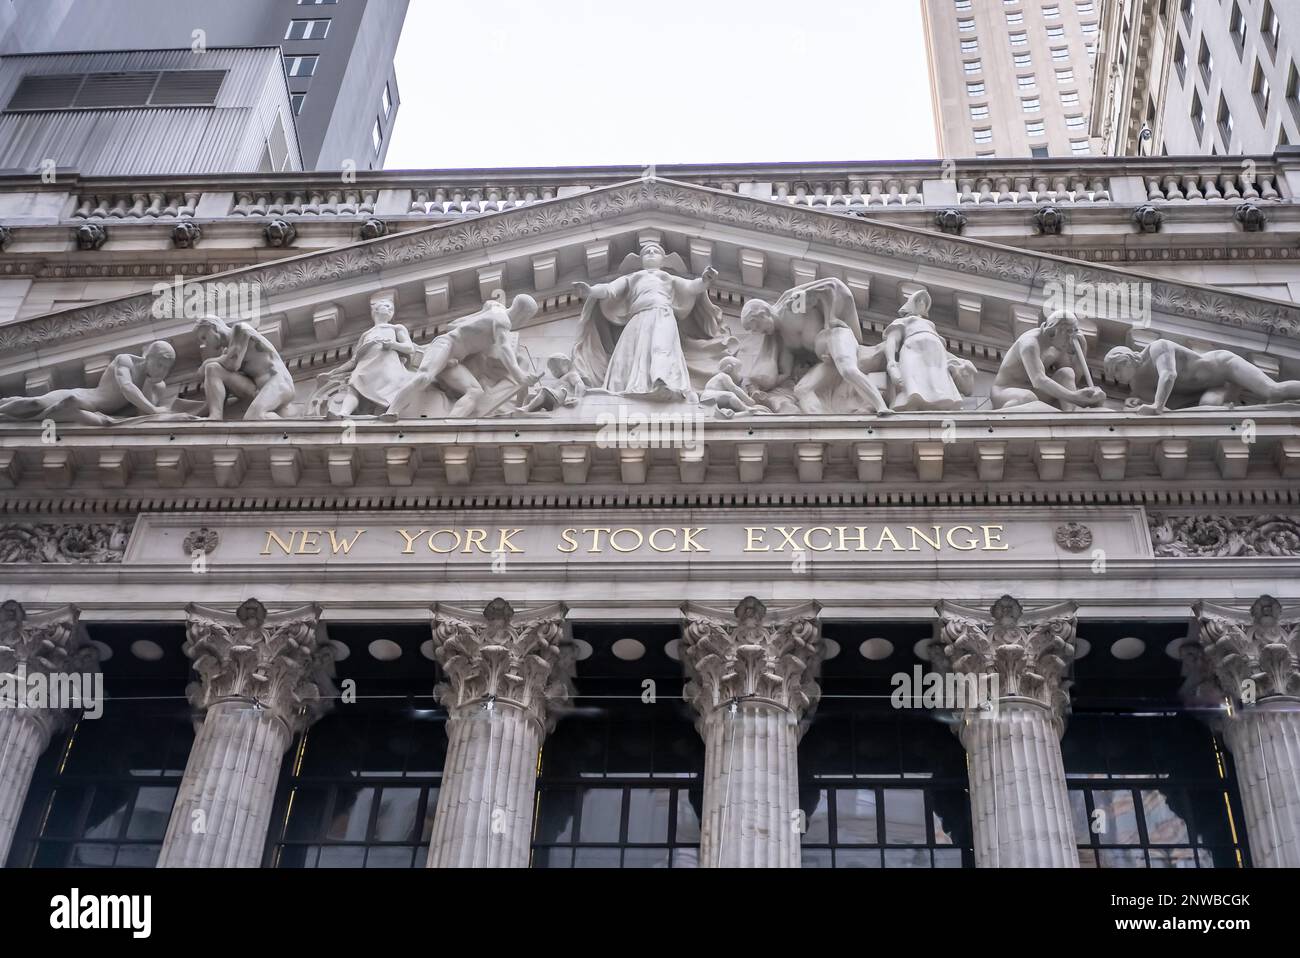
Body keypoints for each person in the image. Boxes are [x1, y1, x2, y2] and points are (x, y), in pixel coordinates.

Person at [571, 241, 730, 402]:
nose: (651, 253)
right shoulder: (633, 277)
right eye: (647, 252)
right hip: (638, 318)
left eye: (656, 251)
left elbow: (690, 287)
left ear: (663, 259)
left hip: (663, 316)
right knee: (628, 353)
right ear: (640, 260)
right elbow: (609, 290)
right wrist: (590, 291)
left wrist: (705, 281)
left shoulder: (667, 277)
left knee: (662, 348)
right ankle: (624, 387)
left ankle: (662, 381)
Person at [740, 277, 890, 415]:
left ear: (764, 312)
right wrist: (758, 388)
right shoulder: (784, 342)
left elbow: (831, 287)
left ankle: (881, 406)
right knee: (801, 390)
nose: (758, 332)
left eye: (757, 325)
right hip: (826, 360)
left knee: (848, 370)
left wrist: (830, 318)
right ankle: (822, 429)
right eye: (755, 330)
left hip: (834, 337)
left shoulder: (792, 306)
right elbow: (785, 373)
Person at [384, 294, 539, 420]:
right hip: (446, 345)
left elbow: (488, 307)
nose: (525, 321)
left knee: (475, 392)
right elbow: (505, 347)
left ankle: (450, 424)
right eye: (527, 317)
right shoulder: (503, 320)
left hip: (454, 361)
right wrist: (519, 376)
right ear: (522, 313)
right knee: (424, 376)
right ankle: (392, 411)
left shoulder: (497, 310)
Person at [0, 341, 185, 425]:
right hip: (83, 396)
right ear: (149, 356)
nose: (162, 371)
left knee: (47, 413)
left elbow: (142, 415)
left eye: (166, 368)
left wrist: (151, 384)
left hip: (87, 409)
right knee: (36, 403)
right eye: (159, 364)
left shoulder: (157, 385)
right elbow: (127, 388)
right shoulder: (126, 360)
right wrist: (155, 410)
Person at [1104, 339, 1300, 414]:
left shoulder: (1157, 347)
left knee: (1273, 390)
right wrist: (1138, 406)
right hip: (1213, 388)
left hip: (1224, 367)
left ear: (1125, 360)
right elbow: (1173, 410)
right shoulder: (1139, 386)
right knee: (1210, 409)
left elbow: (1169, 374)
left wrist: (1157, 405)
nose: (1117, 379)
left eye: (1116, 372)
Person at [313, 291, 417, 418]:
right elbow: (353, 360)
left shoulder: (396, 328)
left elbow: (409, 348)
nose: (389, 309)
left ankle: (388, 413)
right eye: (385, 305)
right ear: (375, 311)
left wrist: (393, 345)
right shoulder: (366, 334)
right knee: (354, 386)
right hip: (365, 365)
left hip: (387, 365)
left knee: (387, 389)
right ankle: (343, 414)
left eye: (391, 308)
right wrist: (333, 373)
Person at [991, 309, 1106, 412]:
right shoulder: (1030, 344)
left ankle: (1069, 417)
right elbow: (1038, 380)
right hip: (1005, 392)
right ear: (1053, 332)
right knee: (1027, 398)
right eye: (1068, 335)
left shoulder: (1056, 346)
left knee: (1066, 372)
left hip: (1035, 394)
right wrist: (1075, 397)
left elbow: (1072, 380)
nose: (1070, 341)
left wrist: (1083, 348)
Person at [882, 289, 974, 411]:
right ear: (911, 304)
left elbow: (942, 350)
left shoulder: (930, 325)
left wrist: (958, 361)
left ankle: (940, 401)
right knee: (913, 380)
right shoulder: (905, 321)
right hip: (913, 351)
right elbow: (892, 340)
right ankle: (913, 402)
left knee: (936, 380)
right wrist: (891, 362)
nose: (922, 303)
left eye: (924, 301)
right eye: (919, 300)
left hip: (935, 357)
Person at [196, 316, 296, 420]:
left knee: (253, 417)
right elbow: (219, 392)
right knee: (212, 369)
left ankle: (291, 433)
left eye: (204, 337)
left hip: (278, 382)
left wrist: (206, 363)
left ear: (214, 328)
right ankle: (215, 416)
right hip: (257, 390)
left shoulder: (240, 329)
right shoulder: (227, 353)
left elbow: (233, 364)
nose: (205, 344)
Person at [700, 356, 769, 417]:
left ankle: (733, 412)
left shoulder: (718, 378)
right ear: (729, 368)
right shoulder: (724, 376)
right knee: (731, 395)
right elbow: (734, 388)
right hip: (709, 395)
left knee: (729, 399)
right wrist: (748, 400)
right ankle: (745, 409)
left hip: (707, 398)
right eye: (738, 371)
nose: (739, 374)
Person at [519, 353, 586, 412]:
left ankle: (527, 408)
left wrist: (577, 397)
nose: (554, 371)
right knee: (529, 397)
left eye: (556, 368)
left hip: (563, 397)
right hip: (555, 398)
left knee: (545, 391)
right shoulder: (559, 381)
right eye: (552, 370)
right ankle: (524, 411)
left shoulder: (571, 374)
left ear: (566, 363)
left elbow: (579, 384)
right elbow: (551, 392)